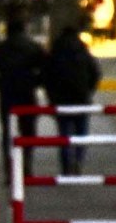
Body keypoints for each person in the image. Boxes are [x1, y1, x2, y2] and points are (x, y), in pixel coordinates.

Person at [0, 11, 46, 180]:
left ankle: (10, 169)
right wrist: (35, 83)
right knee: (28, 131)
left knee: (8, 132)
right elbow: (45, 69)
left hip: (7, 94)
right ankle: (26, 165)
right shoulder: (33, 47)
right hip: (27, 94)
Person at [43, 20, 101, 175]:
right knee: (81, 132)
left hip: (61, 100)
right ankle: (78, 160)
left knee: (64, 133)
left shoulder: (55, 52)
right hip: (81, 98)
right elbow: (95, 73)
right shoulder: (83, 50)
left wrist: (51, 97)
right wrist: (88, 90)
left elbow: (46, 77)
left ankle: (66, 164)